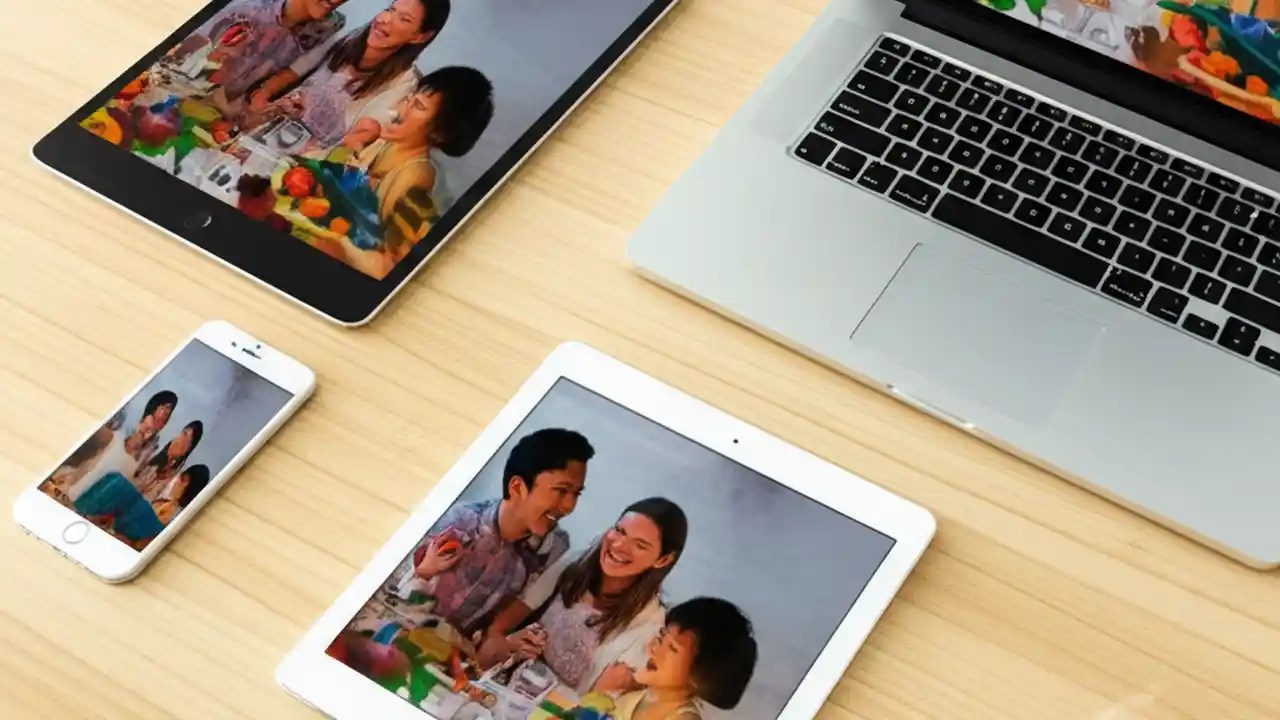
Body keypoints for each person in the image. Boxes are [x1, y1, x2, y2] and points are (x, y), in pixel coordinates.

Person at [350, 428, 594, 638]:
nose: (569, 506)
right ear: (518, 486)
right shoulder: (457, 521)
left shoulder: (555, 549)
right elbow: (384, 590)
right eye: (561, 491)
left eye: (577, 494)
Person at [480, 498, 688, 696]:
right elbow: (501, 626)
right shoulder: (577, 562)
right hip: (503, 688)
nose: (619, 546)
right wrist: (506, 643)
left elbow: (593, 707)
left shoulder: (649, 629)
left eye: (640, 545)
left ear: (663, 559)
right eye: (619, 531)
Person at [331, 66, 493, 278]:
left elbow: (390, 266)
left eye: (418, 106)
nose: (397, 110)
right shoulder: (381, 143)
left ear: (440, 132)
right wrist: (347, 148)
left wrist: (333, 239)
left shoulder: (415, 178)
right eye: (409, 98)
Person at [246, 0, 451, 147]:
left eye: (404, 19)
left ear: (420, 36)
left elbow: (356, 140)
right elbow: (295, 70)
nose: (384, 19)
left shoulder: (404, 84)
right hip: (268, 129)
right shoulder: (350, 38)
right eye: (390, 9)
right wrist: (262, 95)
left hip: (301, 163)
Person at [175, 0, 348, 113]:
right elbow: (182, 54)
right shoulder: (246, 7)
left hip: (228, 116)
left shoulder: (330, 25)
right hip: (181, 92)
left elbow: (291, 72)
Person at [611, 598, 758, 720]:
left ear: (701, 677)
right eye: (662, 637)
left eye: (673, 648)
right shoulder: (632, 697)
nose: (653, 647)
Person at [44, 390, 179, 504]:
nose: (165, 413)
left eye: (169, 411)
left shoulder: (143, 460)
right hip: (66, 491)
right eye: (163, 407)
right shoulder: (116, 437)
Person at [134, 421, 205, 499]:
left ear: (189, 448)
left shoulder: (175, 478)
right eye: (183, 432)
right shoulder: (154, 450)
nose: (180, 437)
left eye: (186, 436)